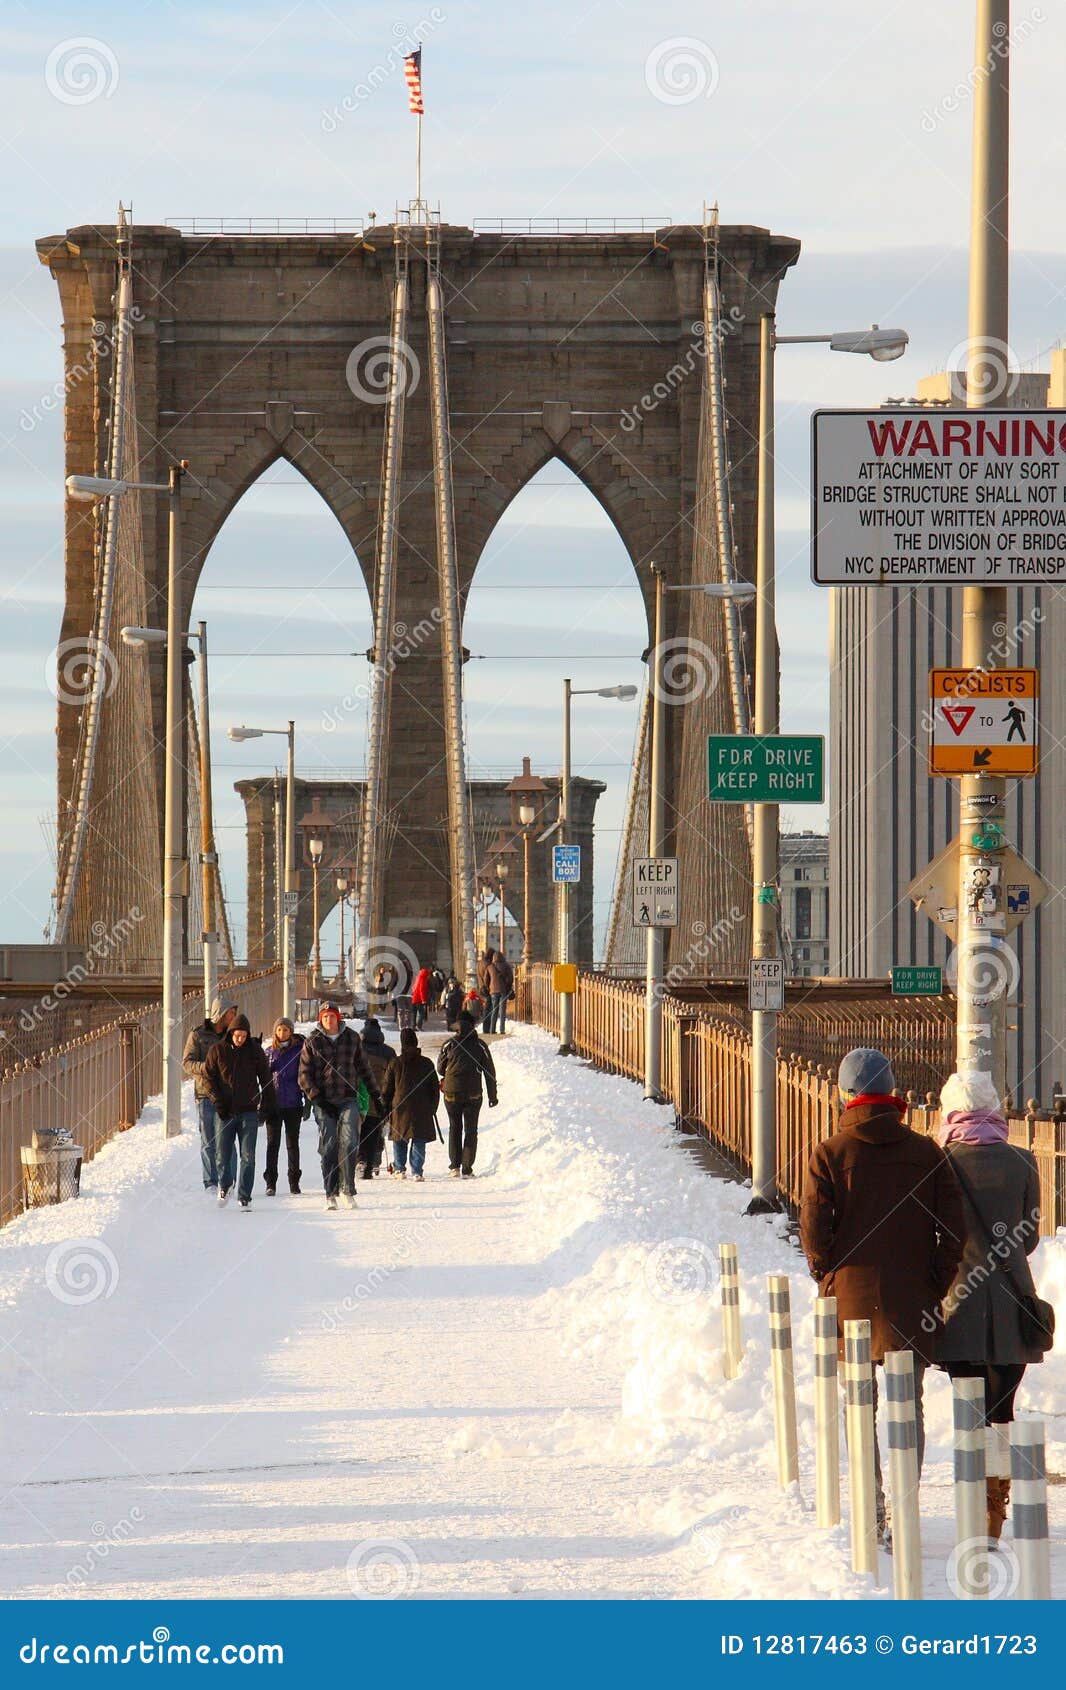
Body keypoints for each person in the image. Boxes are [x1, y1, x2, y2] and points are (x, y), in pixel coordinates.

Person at [799, 1046, 965, 1545]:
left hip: (850, 1301)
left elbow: (813, 1228)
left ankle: (871, 1510)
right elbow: (953, 1231)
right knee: (907, 1405)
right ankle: (905, 1507)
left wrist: (827, 1276)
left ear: (848, 1096)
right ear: (892, 1094)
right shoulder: (925, 1152)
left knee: (859, 1405)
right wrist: (934, 1282)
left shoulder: (829, 1153)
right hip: (912, 1302)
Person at [934, 1069, 1047, 1543]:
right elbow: (1031, 1235)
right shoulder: (1023, 1162)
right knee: (1002, 1413)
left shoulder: (940, 1164)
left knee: (968, 1411)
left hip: (957, 1308)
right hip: (1012, 1307)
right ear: (995, 1110)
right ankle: (993, 1511)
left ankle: (971, 1504)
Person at [299, 1003, 383, 1211]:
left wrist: (375, 1096)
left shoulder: (352, 1038)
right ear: (321, 1019)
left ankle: (347, 1190)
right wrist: (316, 1098)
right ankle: (331, 1192)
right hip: (324, 1101)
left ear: (338, 1018)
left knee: (349, 1142)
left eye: (332, 1016)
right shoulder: (312, 1042)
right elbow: (304, 1074)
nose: (329, 1020)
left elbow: (364, 1068)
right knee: (329, 1146)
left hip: (348, 1099)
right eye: (325, 1017)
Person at [202, 1014, 277, 1212]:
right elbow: (208, 1078)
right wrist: (217, 1101)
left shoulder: (255, 1051)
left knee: (248, 1156)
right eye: (237, 1035)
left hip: (249, 1111)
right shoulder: (217, 1050)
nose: (240, 1039)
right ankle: (225, 1186)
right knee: (222, 1154)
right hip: (224, 1111)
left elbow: (266, 1078)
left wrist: (267, 1106)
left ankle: (245, 1196)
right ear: (231, 1034)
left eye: (244, 1036)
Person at [182, 993, 239, 1193]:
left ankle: (229, 1180)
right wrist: (206, 1067)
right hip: (205, 1095)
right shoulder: (197, 1035)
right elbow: (187, 1063)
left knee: (229, 1139)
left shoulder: (234, 1036)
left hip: (228, 1095)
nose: (234, 1016)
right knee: (209, 1140)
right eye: (231, 1013)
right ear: (221, 1014)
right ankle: (210, 1181)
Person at [436, 1009, 498, 1178]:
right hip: (473, 1093)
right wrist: (493, 1096)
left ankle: (454, 1167)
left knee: (454, 1127)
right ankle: (467, 1168)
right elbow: (489, 1072)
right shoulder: (480, 1045)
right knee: (471, 1130)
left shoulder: (449, 1044)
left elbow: (440, 1069)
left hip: (451, 1092)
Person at [382, 1027, 440, 1182]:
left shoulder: (395, 1063)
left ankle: (400, 1168)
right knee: (419, 1139)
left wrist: (385, 1108)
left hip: (399, 1107)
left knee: (399, 1139)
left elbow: (387, 1088)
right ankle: (417, 1171)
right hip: (422, 1107)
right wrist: (432, 1108)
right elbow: (434, 1088)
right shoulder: (427, 1063)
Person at [263, 1018, 307, 1195]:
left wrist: (307, 1101)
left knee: (292, 1144)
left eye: (286, 1030)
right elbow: (263, 1078)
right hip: (274, 1104)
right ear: (275, 1032)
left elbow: (304, 1075)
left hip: (293, 1103)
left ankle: (294, 1181)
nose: (282, 1034)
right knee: (272, 1144)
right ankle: (271, 1182)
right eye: (279, 1030)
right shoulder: (269, 1052)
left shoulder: (300, 1051)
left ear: (291, 1031)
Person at [358, 1016, 397, 1178]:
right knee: (375, 1131)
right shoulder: (388, 1052)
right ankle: (374, 1162)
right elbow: (394, 1077)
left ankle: (361, 1161)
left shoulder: (357, 1048)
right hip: (379, 1098)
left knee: (359, 1132)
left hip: (359, 1097)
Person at [487, 947, 514, 1034]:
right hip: (503, 991)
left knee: (494, 1010)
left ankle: (492, 1029)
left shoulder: (490, 967)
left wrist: (489, 987)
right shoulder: (506, 966)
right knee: (502, 1011)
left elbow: (486, 979)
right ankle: (502, 1030)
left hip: (493, 991)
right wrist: (508, 986)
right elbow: (510, 978)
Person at [410, 964, 433, 1031]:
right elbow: (422, 990)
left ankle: (413, 1026)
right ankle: (419, 1026)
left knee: (414, 1013)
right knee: (421, 1013)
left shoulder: (418, 977)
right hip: (419, 999)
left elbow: (414, 987)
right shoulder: (423, 979)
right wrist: (423, 1000)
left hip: (414, 998)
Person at [476, 950, 494, 1033]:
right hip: (488, 988)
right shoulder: (488, 965)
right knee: (488, 1009)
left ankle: (486, 1028)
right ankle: (487, 1028)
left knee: (486, 1009)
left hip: (481, 988)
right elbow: (488, 977)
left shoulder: (479, 963)